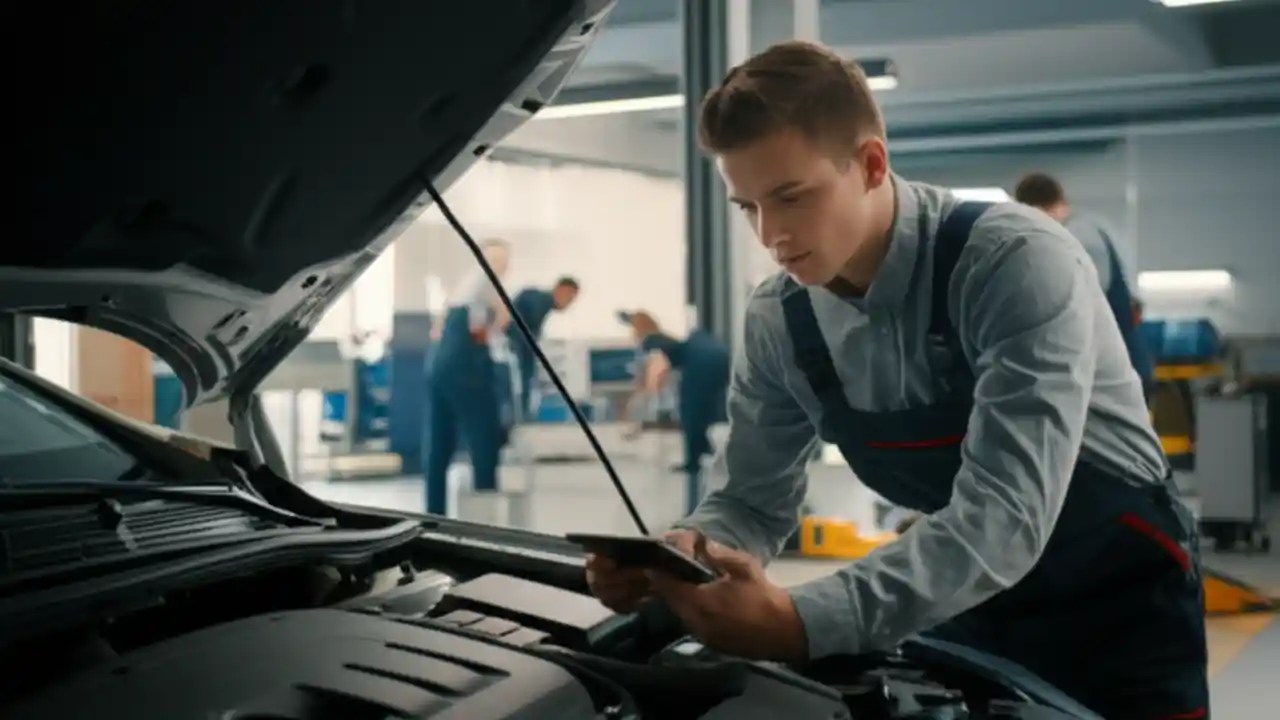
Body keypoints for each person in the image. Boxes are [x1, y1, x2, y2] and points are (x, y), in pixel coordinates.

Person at [585, 41, 1207, 718]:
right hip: (963, 593)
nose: (772, 235)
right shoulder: (781, 320)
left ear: (872, 164)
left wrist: (799, 620)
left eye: (792, 197)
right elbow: (750, 502)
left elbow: (1005, 514)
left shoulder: (1013, 263)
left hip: (1120, 596)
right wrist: (686, 555)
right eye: (749, 207)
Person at [1014, 172, 1156, 400]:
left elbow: (1084, 301)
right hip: (1110, 374)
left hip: (1115, 376)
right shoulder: (1086, 228)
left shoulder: (1079, 235)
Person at [423, 239, 511, 515]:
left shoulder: (462, 286)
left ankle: (433, 514)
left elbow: (436, 330)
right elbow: (492, 324)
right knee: (485, 434)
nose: (502, 266)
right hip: (466, 366)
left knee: (439, 442)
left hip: (438, 363)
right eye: (499, 260)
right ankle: (486, 510)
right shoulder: (486, 283)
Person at [619, 310, 731, 514]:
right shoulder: (664, 336)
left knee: (690, 410)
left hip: (702, 360)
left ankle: (693, 462)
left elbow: (657, 369)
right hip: (717, 355)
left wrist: (645, 399)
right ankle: (703, 449)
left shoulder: (651, 340)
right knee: (701, 409)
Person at [507, 277, 581, 418]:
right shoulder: (540, 301)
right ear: (561, 290)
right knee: (524, 378)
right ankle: (522, 415)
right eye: (570, 298)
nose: (570, 304)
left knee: (526, 377)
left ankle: (523, 414)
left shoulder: (540, 301)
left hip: (516, 344)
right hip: (516, 345)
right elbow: (521, 327)